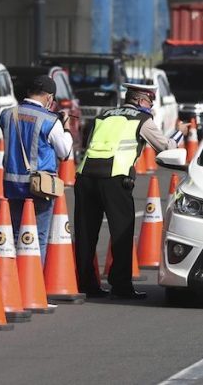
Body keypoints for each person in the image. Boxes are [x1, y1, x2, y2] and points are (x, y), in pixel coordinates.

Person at [74, 83, 187, 299]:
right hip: (115, 177)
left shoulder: (104, 115)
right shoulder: (142, 120)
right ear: (140, 100)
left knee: (86, 234)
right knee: (122, 234)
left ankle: (86, 285)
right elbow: (166, 147)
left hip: (85, 176)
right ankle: (121, 286)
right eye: (150, 101)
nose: (152, 105)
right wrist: (179, 133)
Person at [0, 75, 73, 260]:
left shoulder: (7, 114)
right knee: (38, 237)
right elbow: (64, 152)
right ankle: (32, 282)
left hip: (12, 185)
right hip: (40, 187)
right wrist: (67, 129)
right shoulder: (50, 120)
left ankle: (15, 279)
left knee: (17, 235)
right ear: (49, 97)